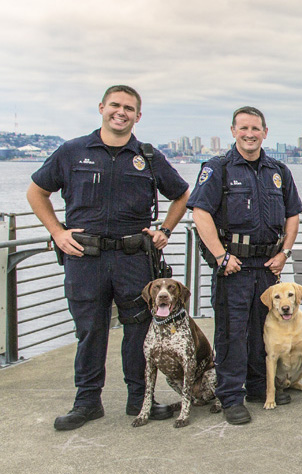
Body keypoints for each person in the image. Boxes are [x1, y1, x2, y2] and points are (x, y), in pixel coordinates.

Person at [28, 85, 190, 430]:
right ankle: (87, 402)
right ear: (102, 107)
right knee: (90, 330)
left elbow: (182, 195)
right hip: (85, 258)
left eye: (129, 108)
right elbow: (37, 191)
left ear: (138, 116)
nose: (121, 112)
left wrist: (166, 230)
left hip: (134, 259)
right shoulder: (72, 152)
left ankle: (139, 400)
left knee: (138, 332)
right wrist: (57, 232)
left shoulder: (148, 156)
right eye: (115, 105)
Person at [189, 106, 302, 424]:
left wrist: (285, 252)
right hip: (233, 267)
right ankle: (230, 396)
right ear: (233, 131)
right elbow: (200, 212)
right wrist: (220, 256)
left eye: (256, 128)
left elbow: (293, 213)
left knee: (263, 330)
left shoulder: (278, 170)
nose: (250, 134)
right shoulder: (218, 168)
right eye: (243, 128)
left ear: (265, 132)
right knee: (232, 332)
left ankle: (257, 387)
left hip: (268, 266)